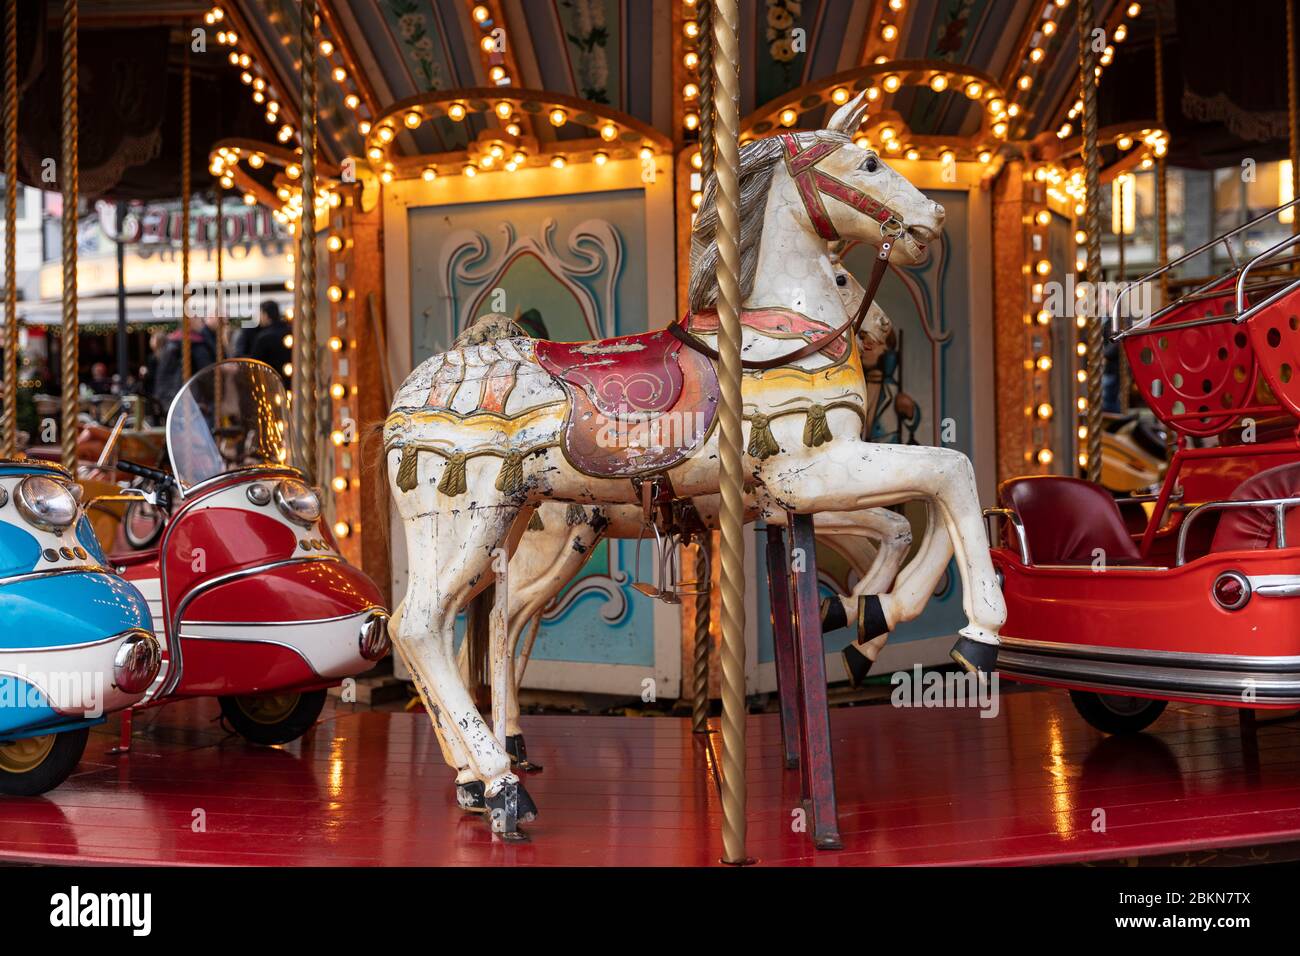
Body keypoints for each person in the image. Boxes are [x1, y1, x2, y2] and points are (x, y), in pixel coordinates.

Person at [152, 316, 217, 413]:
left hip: (181, 400)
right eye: (198, 318)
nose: (202, 321)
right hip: (189, 401)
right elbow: (207, 373)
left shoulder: (173, 344)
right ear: (190, 321)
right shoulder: (192, 345)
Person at [249, 300, 292, 383]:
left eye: (260, 314)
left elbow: (254, 363)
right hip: (289, 381)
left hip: (270, 383)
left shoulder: (263, 337)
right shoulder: (289, 332)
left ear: (265, 315)